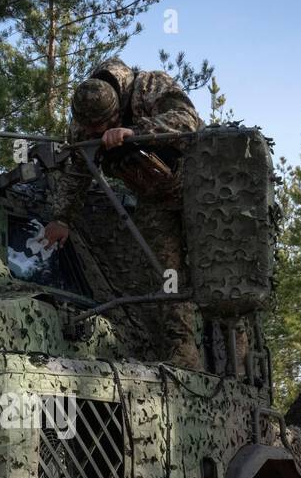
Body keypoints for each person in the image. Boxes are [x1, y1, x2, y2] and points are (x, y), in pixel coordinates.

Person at [43, 58, 204, 369]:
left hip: (196, 190)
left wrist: (134, 131)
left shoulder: (152, 87)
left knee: (212, 270)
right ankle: (183, 352)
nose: (92, 132)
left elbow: (188, 121)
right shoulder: (84, 123)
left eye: (99, 127)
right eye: (88, 127)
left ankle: (236, 355)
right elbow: (78, 170)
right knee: (165, 273)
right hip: (153, 200)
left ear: (115, 111)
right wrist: (62, 218)